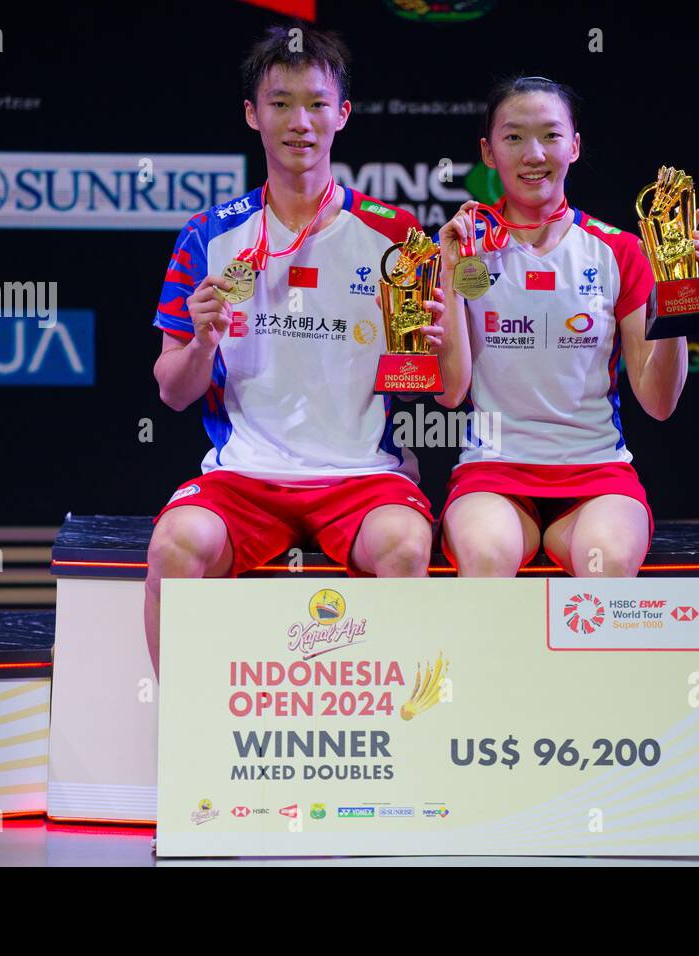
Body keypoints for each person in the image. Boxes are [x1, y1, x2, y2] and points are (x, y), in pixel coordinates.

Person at [144, 24, 461, 677]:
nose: (300, 122)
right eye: (280, 102)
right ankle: (184, 740)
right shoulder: (209, 234)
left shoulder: (399, 236)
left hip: (361, 479)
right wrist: (201, 341)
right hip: (244, 479)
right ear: (251, 114)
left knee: (405, 546)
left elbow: (434, 382)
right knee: (174, 545)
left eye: (317, 103)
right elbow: (172, 390)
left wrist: (433, 346)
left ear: (342, 114)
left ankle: (403, 743)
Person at [434, 76, 699, 577]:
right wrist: (449, 278)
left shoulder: (619, 251)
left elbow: (659, 402)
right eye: (513, 137)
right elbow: (450, 393)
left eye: (551, 136)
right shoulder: (463, 247)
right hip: (492, 472)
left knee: (607, 561)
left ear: (575, 146)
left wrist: (676, 291)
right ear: (488, 152)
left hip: (597, 474)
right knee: (486, 555)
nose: (533, 153)